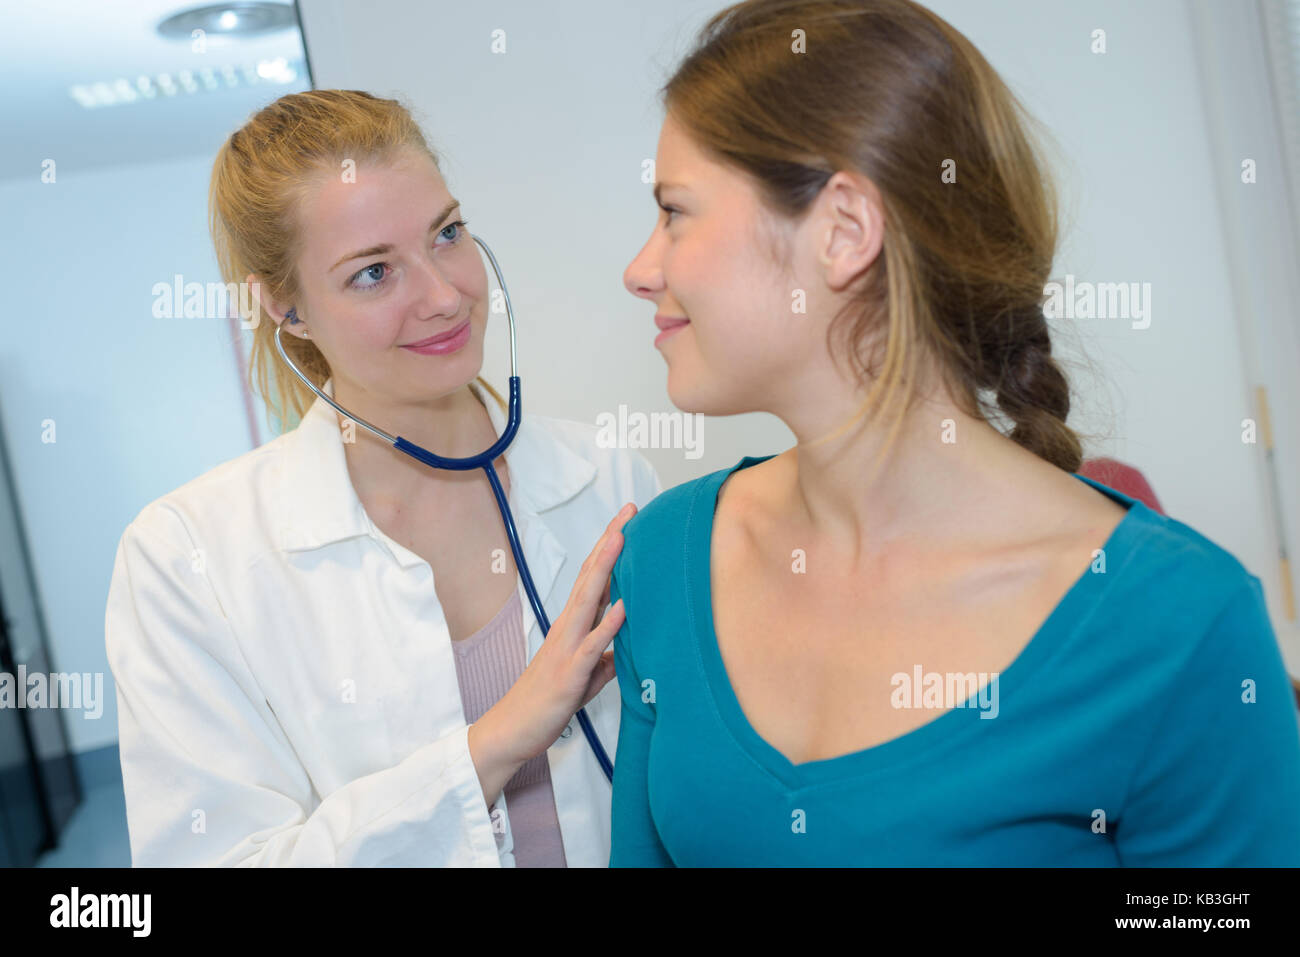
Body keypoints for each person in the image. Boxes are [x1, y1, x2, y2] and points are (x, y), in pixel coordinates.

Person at [610, 0, 1300, 865]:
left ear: (845, 232)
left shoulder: (1180, 626)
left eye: (675, 211)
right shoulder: (664, 562)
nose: (641, 270)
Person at [105, 89, 660, 866]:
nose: (443, 296)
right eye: (373, 273)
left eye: (447, 234)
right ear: (288, 308)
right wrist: (493, 744)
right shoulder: (187, 560)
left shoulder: (608, 480)